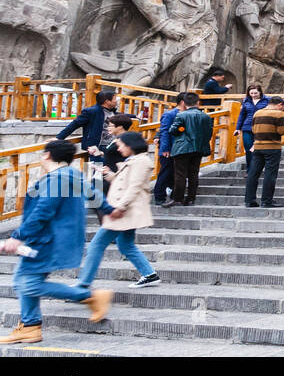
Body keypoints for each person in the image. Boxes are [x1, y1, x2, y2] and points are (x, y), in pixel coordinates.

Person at [0, 140, 112, 344]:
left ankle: (88, 296)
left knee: (28, 284)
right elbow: (94, 194)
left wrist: (17, 237)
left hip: (45, 240)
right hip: (50, 239)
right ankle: (30, 326)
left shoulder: (57, 178)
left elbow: (43, 212)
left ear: (47, 155)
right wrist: (111, 209)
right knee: (22, 281)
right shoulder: (72, 175)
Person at [76, 131, 160, 289]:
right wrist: (107, 173)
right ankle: (149, 274)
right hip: (125, 210)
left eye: (121, 145)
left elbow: (134, 187)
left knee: (97, 244)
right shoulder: (135, 160)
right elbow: (122, 182)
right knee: (125, 244)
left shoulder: (140, 162)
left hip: (124, 210)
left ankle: (83, 282)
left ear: (130, 145)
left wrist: (120, 207)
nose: (119, 149)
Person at [163, 91, 212, 208]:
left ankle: (178, 199)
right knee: (193, 174)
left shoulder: (181, 115)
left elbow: (172, 130)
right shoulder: (206, 116)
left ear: (184, 103)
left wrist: (181, 129)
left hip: (182, 147)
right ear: (198, 102)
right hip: (198, 148)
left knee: (180, 175)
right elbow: (209, 133)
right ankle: (191, 199)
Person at [56, 88, 118, 169]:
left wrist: (135, 117)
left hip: (110, 146)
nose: (116, 101)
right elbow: (75, 124)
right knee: (98, 174)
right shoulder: (91, 111)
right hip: (96, 147)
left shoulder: (111, 111)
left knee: (109, 171)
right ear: (107, 101)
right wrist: (59, 137)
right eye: (114, 99)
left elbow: (123, 115)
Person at [245, 96, 284, 208]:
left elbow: (253, 130)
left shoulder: (257, 113)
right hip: (272, 147)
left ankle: (249, 200)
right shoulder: (279, 114)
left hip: (258, 146)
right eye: (282, 107)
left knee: (253, 173)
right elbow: (281, 131)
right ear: (279, 104)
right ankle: (266, 201)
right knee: (270, 174)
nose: (283, 109)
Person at [152, 93, 179, 206]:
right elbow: (164, 130)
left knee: (172, 173)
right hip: (168, 149)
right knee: (165, 172)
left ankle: (172, 193)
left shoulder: (183, 114)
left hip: (177, 149)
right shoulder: (170, 114)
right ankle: (159, 195)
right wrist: (164, 148)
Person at [236, 83, 268, 170]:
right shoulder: (246, 100)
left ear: (260, 92)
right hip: (247, 127)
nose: (253, 95)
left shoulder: (267, 100)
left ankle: (260, 168)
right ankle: (250, 169)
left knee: (260, 149)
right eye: (251, 93)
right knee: (249, 149)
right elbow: (242, 115)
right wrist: (238, 128)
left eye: (256, 93)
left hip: (261, 127)